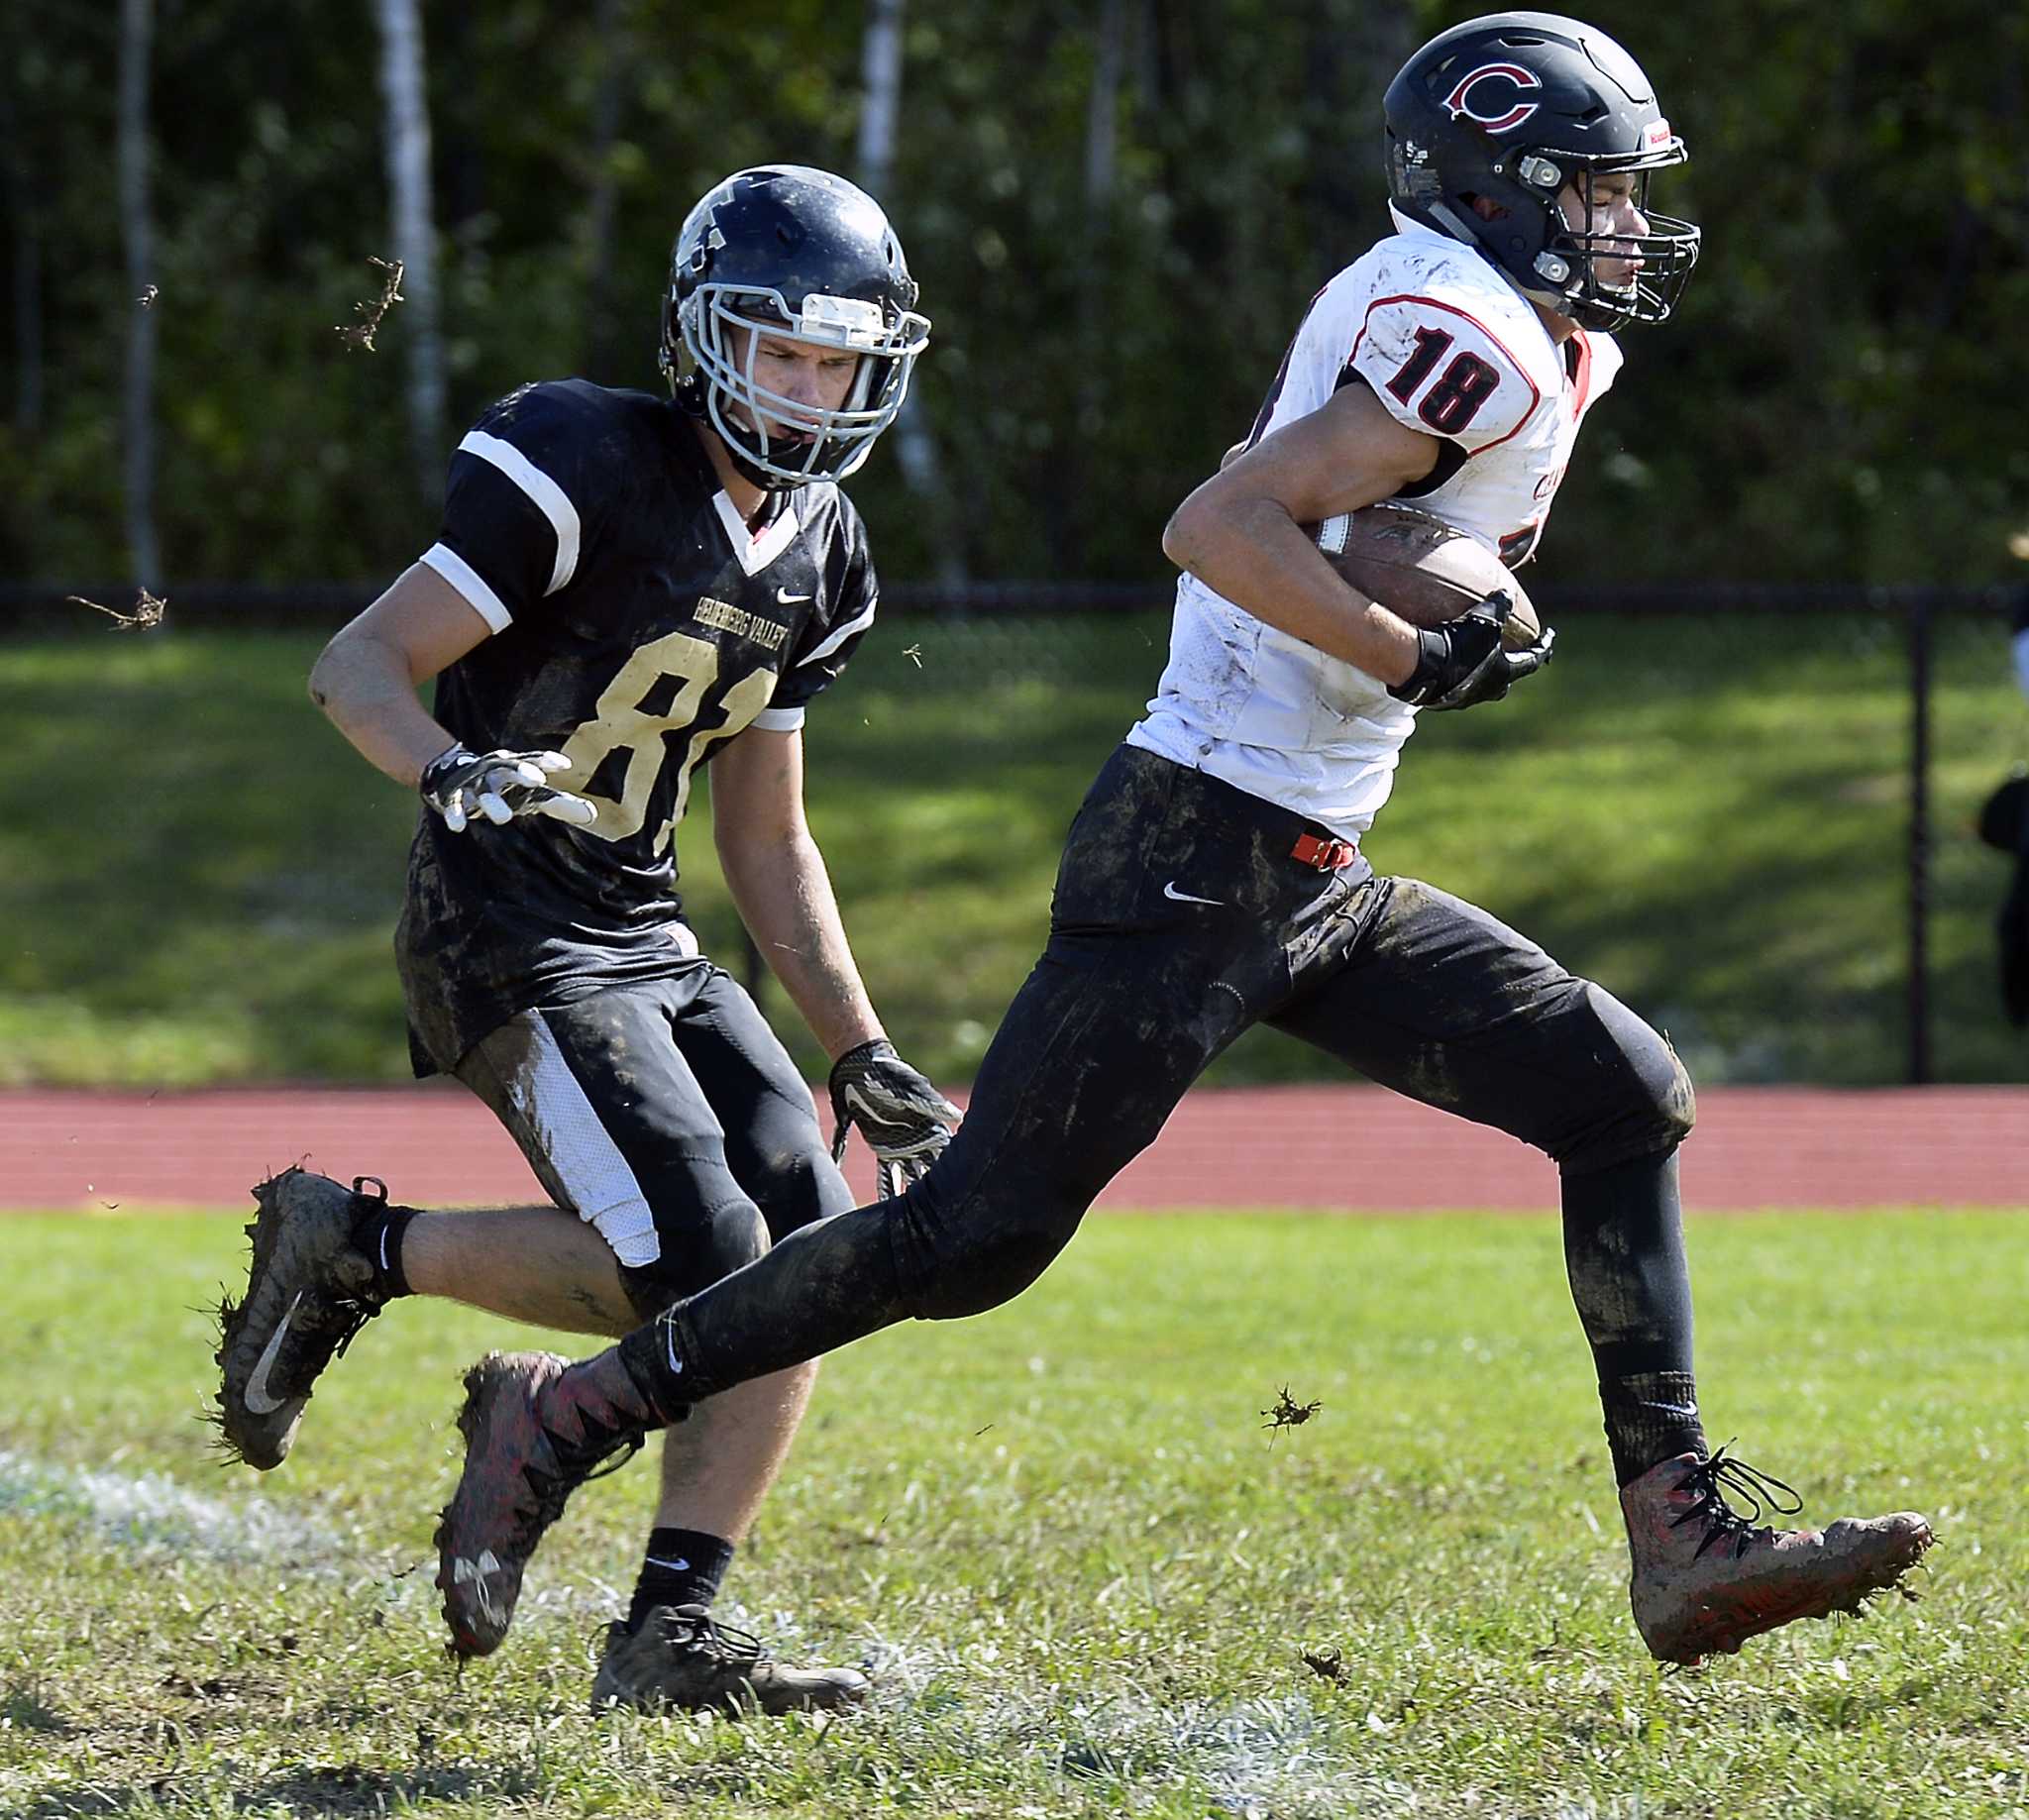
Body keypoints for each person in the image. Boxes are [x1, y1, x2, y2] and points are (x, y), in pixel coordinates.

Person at [430, 16, 1933, 1671]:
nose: (1626, 223)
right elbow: (1222, 522)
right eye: (1592, 189)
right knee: (965, 1240)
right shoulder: (1472, 329)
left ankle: (1679, 1542)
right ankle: (568, 1417)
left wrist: (1404, 582)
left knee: (1620, 1089)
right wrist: (1411, 647)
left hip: (1310, 863)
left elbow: (1341, 513)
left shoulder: (1522, 328)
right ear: (1498, 191)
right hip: (1201, 851)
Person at [211, 164, 959, 1715]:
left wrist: (861, 1042)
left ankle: (673, 1625)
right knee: (689, 1256)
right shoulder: (584, 459)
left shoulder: (826, 550)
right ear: (704, 339)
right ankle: (360, 1250)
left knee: (810, 1257)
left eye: (840, 360)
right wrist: (448, 766)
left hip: (644, 931)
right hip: (499, 924)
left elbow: (769, 836)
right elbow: (358, 664)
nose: (812, 392)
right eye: (782, 352)